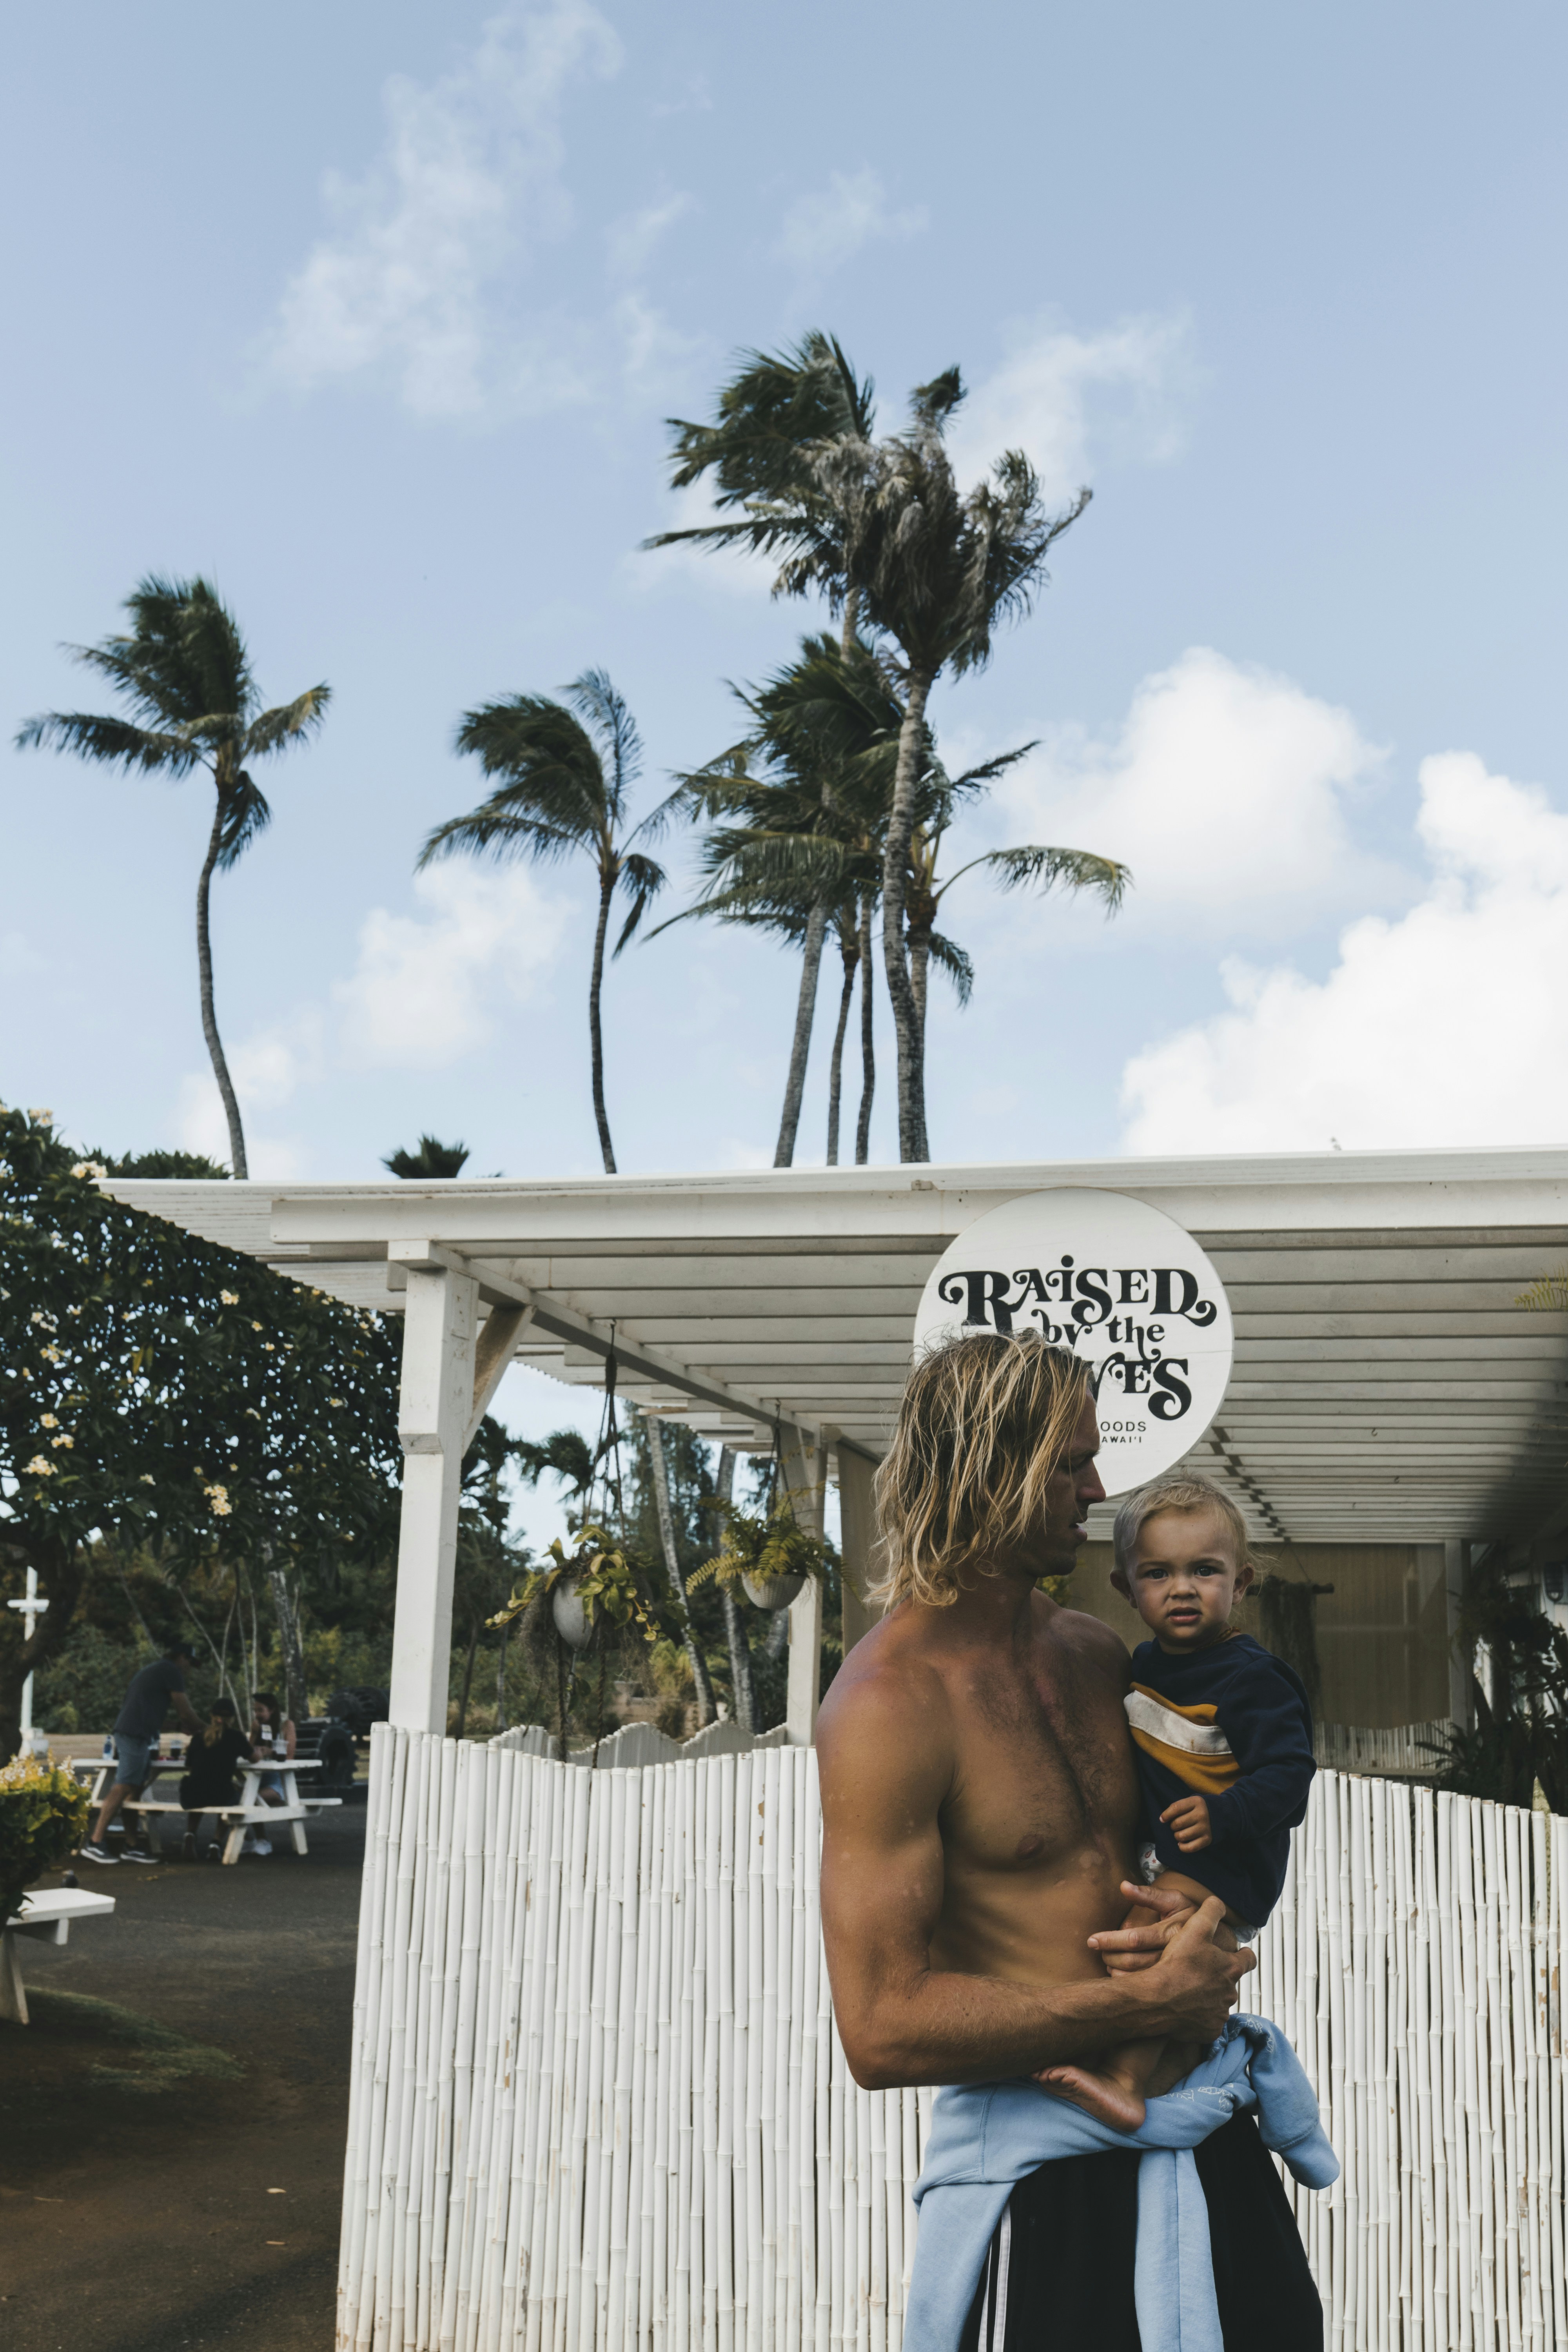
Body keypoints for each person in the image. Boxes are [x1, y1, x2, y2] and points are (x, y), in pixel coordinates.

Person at [815, 1332, 1328, 2352]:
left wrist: (1204, 1941)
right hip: (1043, 2179)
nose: (1098, 1488)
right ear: (988, 1469)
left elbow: (1216, 1838)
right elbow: (880, 2027)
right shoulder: (889, 1706)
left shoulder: (1098, 1656)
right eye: (1070, 1464)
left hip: (1199, 2128)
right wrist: (1137, 2002)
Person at [1037, 1472, 1316, 2132]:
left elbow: (1290, 1777)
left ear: (1241, 1583)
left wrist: (1224, 1813)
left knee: (1153, 1951)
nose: (1183, 1588)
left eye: (1205, 1570)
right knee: (1144, 1957)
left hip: (1227, 1860)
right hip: (1178, 1855)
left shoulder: (1253, 1678)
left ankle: (1125, 2086)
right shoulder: (1143, 1667)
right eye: (1158, 1573)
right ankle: (1188, 2077)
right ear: (1125, 1588)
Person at [80, 1639, 202, 1864]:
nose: (189, 1669)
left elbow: (149, 1714)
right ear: (181, 1658)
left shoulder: (155, 1671)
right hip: (133, 1736)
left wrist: (177, 1728)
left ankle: (132, 1845)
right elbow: (185, 1710)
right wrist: (207, 1730)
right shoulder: (171, 1670)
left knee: (134, 1790)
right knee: (124, 1785)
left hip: (137, 1734)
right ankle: (95, 1843)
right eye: (190, 1663)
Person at [178, 1695, 251, 1860]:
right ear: (231, 1719)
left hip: (191, 1795)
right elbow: (254, 1758)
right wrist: (263, 1751)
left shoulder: (198, 1738)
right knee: (233, 1794)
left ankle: (190, 1834)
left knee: (199, 1786)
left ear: (212, 1716)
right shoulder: (236, 1737)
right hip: (220, 1794)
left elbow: (190, 1766)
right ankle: (216, 1842)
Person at [244, 1690, 296, 1857]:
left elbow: (289, 1756)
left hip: (278, 1785)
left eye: (261, 1710)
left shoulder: (286, 1726)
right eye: (255, 1711)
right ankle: (248, 1839)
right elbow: (245, 1753)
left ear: (272, 1710)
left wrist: (272, 1751)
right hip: (256, 1781)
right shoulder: (258, 1728)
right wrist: (253, 1734)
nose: (257, 1715)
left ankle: (263, 1840)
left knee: (249, 1799)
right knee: (234, 1798)